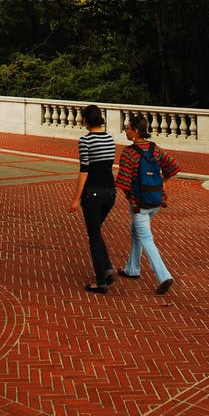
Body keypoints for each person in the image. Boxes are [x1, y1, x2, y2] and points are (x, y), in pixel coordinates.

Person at [115, 113, 180, 294]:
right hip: (156, 200)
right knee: (135, 232)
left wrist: (131, 199)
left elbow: (123, 182)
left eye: (128, 128)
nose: (126, 131)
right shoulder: (155, 149)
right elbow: (173, 167)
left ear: (135, 131)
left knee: (146, 238)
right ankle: (132, 268)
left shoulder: (129, 153)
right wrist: (162, 182)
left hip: (139, 203)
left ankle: (164, 275)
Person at [69, 104, 117, 294]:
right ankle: (106, 270)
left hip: (93, 193)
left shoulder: (85, 141)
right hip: (110, 192)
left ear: (87, 120)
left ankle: (101, 281)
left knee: (94, 235)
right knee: (96, 231)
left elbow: (84, 171)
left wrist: (76, 198)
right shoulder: (110, 139)